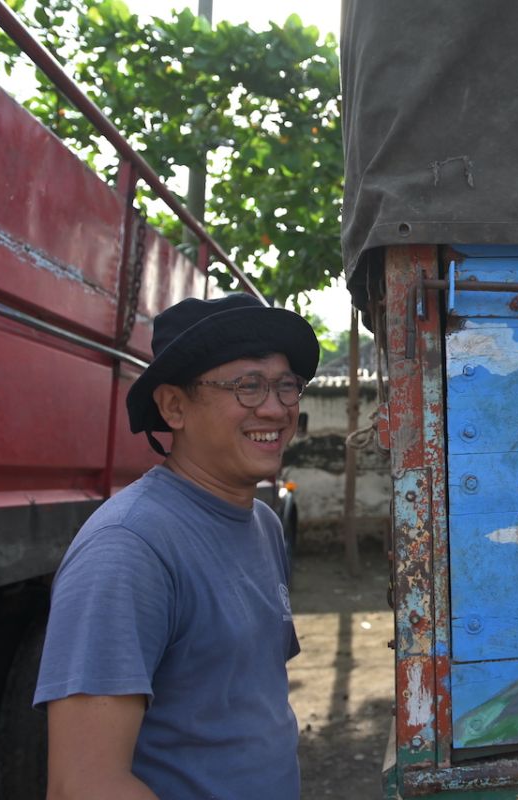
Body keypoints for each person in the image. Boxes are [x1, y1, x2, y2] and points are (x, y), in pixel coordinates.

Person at [33, 293, 319, 799]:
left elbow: (243, 703)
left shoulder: (263, 524)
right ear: (174, 406)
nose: (276, 408)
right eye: (248, 386)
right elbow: (83, 785)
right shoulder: (128, 549)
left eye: (286, 385)